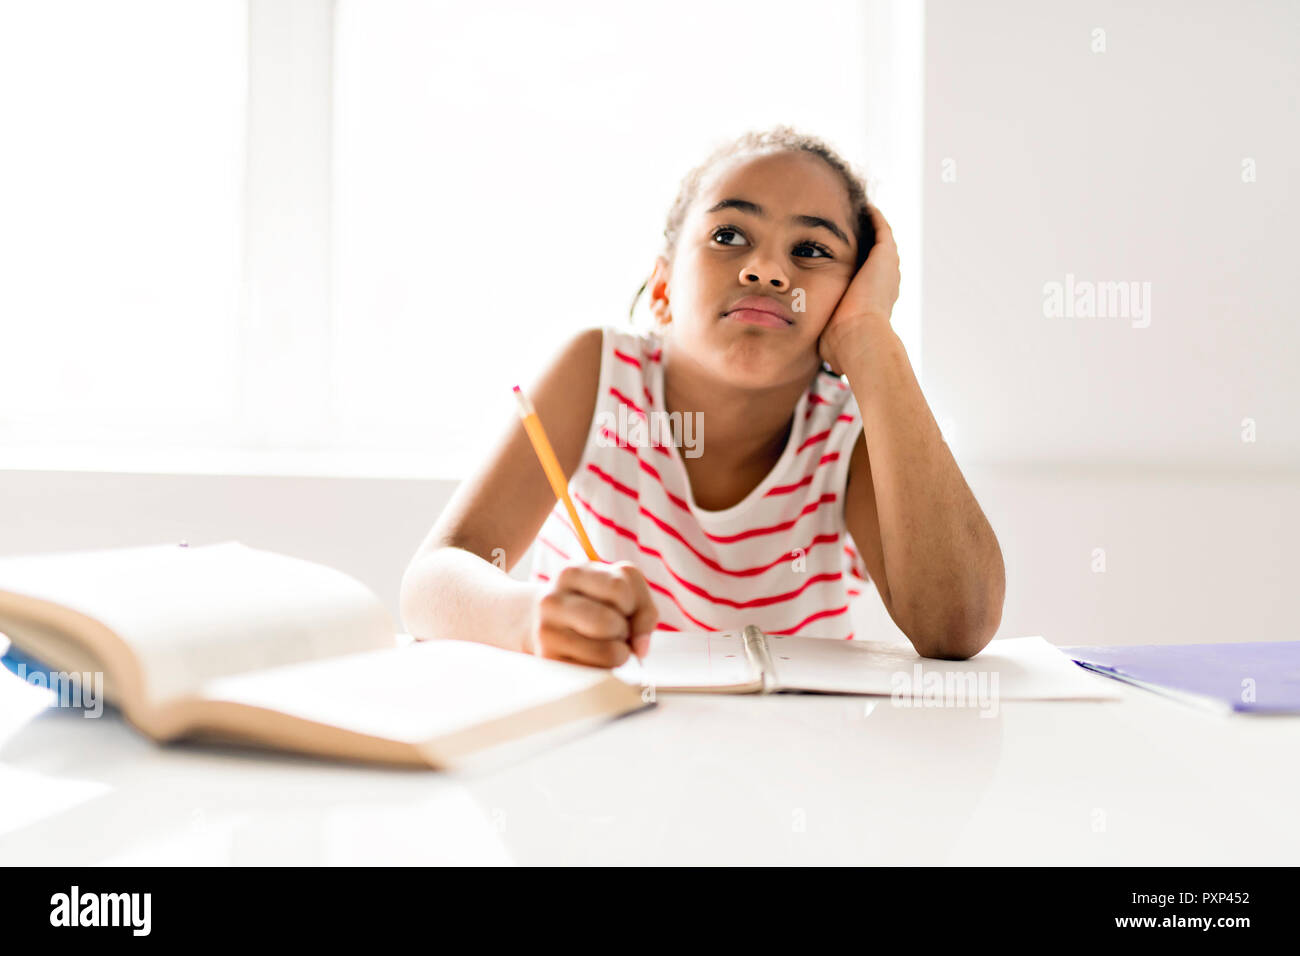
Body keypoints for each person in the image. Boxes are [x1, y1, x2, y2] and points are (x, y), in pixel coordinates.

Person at [401, 127, 1005, 667]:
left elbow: (956, 628)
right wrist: (527, 618)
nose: (767, 270)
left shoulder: (852, 434)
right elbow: (431, 583)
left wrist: (871, 339)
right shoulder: (597, 374)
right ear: (662, 289)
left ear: (851, 295)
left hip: (794, 768)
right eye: (729, 235)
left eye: (812, 250)